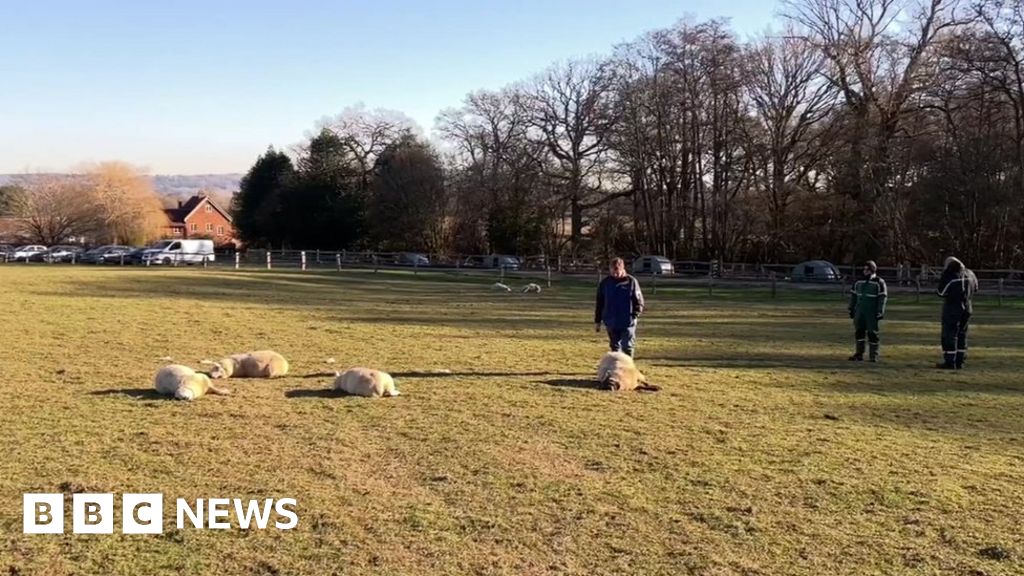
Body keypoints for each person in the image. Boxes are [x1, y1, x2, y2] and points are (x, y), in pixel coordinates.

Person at [595, 257, 645, 357]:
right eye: (613, 272)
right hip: (611, 321)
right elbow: (600, 302)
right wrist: (598, 321)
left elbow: (639, 301)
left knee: (627, 346)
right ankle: (615, 367)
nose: (615, 275)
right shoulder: (605, 283)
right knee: (614, 346)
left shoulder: (631, 282)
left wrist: (635, 315)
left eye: (617, 272)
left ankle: (628, 367)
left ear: (623, 269)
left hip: (627, 320)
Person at [936, 256, 978, 369]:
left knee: (949, 335)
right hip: (968, 308)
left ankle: (950, 361)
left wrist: (943, 277)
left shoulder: (950, 276)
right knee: (962, 334)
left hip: (952, 309)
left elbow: (941, 292)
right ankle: (960, 360)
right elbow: (976, 288)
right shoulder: (970, 274)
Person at [848, 260, 888, 362]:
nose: (865, 271)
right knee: (859, 332)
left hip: (871, 312)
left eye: (867, 269)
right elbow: (853, 296)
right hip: (860, 311)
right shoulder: (858, 282)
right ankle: (859, 354)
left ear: (872, 270)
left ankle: (873, 356)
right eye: (864, 269)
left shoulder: (879, 282)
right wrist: (851, 308)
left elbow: (882, 298)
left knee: (872, 333)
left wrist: (880, 311)